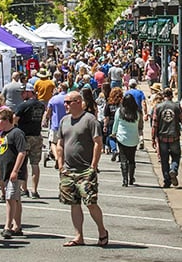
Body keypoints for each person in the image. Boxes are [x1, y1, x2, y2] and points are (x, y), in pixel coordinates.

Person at [57, 91, 109, 247]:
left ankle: (102, 231)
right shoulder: (64, 120)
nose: (65, 105)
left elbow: (98, 143)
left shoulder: (90, 120)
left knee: (90, 202)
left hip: (85, 170)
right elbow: (60, 144)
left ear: (78, 102)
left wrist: (93, 166)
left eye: (68, 102)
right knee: (74, 203)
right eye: (64, 102)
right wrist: (60, 165)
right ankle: (78, 236)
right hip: (68, 170)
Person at [0, 108, 27, 239]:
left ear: (7, 120)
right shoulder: (2, 135)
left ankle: (7, 226)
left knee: (10, 198)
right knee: (16, 199)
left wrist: (15, 171)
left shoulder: (16, 133)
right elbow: (1, 154)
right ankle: (17, 226)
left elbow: (22, 152)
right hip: (5, 171)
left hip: (15, 172)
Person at [14, 85, 46, 199]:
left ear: (29, 92)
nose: (21, 95)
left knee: (23, 163)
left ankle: (24, 188)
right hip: (37, 135)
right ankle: (35, 190)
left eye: (23, 92)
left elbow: (14, 120)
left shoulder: (23, 105)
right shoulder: (41, 105)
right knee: (35, 164)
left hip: (25, 136)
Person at [151, 88, 182, 188]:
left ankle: (167, 180)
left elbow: (155, 124)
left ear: (163, 96)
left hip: (162, 137)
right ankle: (173, 170)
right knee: (176, 155)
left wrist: (153, 138)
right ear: (171, 95)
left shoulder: (158, 107)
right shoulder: (176, 106)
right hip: (174, 136)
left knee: (164, 159)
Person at [111, 94, 139, 187]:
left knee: (123, 158)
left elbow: (116, 123)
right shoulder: (137, 112)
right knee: (132, 159)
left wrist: (114, 132)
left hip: (122, 137)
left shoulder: (120, 111)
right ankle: (131, 178)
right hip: (134, 138)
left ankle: (125, 180)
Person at [124, 79, 148, 150]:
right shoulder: (140, 92)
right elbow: (143, 103)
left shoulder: (127, 93)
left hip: (129, 112)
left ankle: (130, 142)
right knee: (140, 128)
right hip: (138, 112)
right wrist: (145, 113)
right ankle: (141, 139)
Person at [102, 87, 122, 160]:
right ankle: (120, 152)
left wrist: (105, 125)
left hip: (111, 122)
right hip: (120, 122)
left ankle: (114, 150)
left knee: (111, 137)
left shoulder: (109, 104)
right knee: (120, 138)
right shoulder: (121, 104)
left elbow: (106, 116)